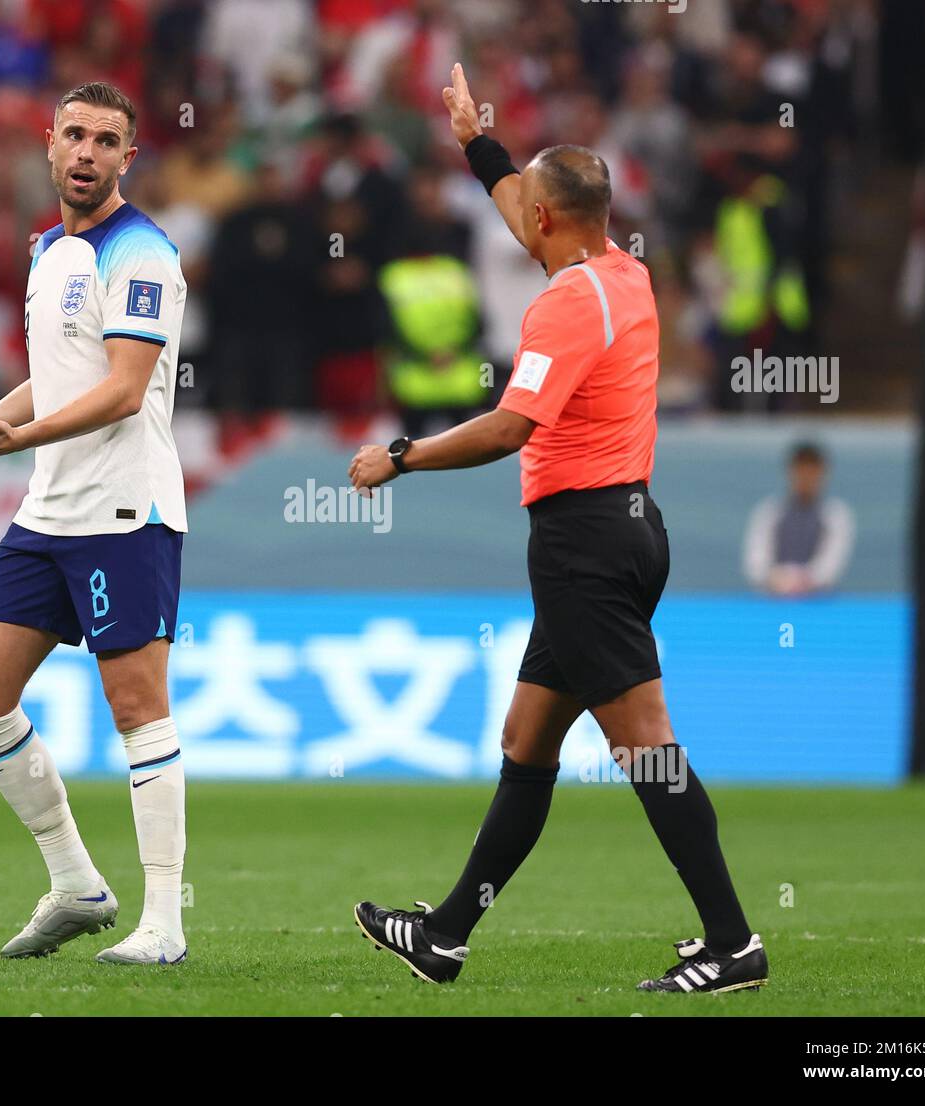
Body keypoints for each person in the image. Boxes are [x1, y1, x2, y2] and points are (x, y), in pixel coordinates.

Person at [347, 65, 766, 994]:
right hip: (622, 528)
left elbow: (508, 427)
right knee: (527, 741)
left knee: (646, 745)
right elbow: (521, 202)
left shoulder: (566, 306)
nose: (515, 215)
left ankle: (735, 942)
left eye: (522, 205)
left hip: (583, 544)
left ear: (543, 220)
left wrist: (401, 457)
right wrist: (474, 138)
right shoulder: (625, 275)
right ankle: (446, 937)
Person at [0, 82, 189, 967]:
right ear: (47, 143)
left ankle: (164, 920)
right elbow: (55, 380)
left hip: (125, 507)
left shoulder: (142, 253)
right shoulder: (50, 249)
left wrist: (8, 441)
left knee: (136, 708)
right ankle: (78, 886)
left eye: (107, 141)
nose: (87, 153)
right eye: (76, 136)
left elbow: (124, 391)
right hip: (50, 508)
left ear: (129, 158)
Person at [743, 442, 854, 595]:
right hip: (773, 599)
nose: (806, 479)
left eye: (812, 472)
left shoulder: (836, 515)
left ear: (823, 473)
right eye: (801, 472)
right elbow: (756, 563)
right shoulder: (768, 512)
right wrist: (778, 579)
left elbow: (830, 566)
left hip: (818, 601)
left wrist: (803, 581)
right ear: (790, 472)